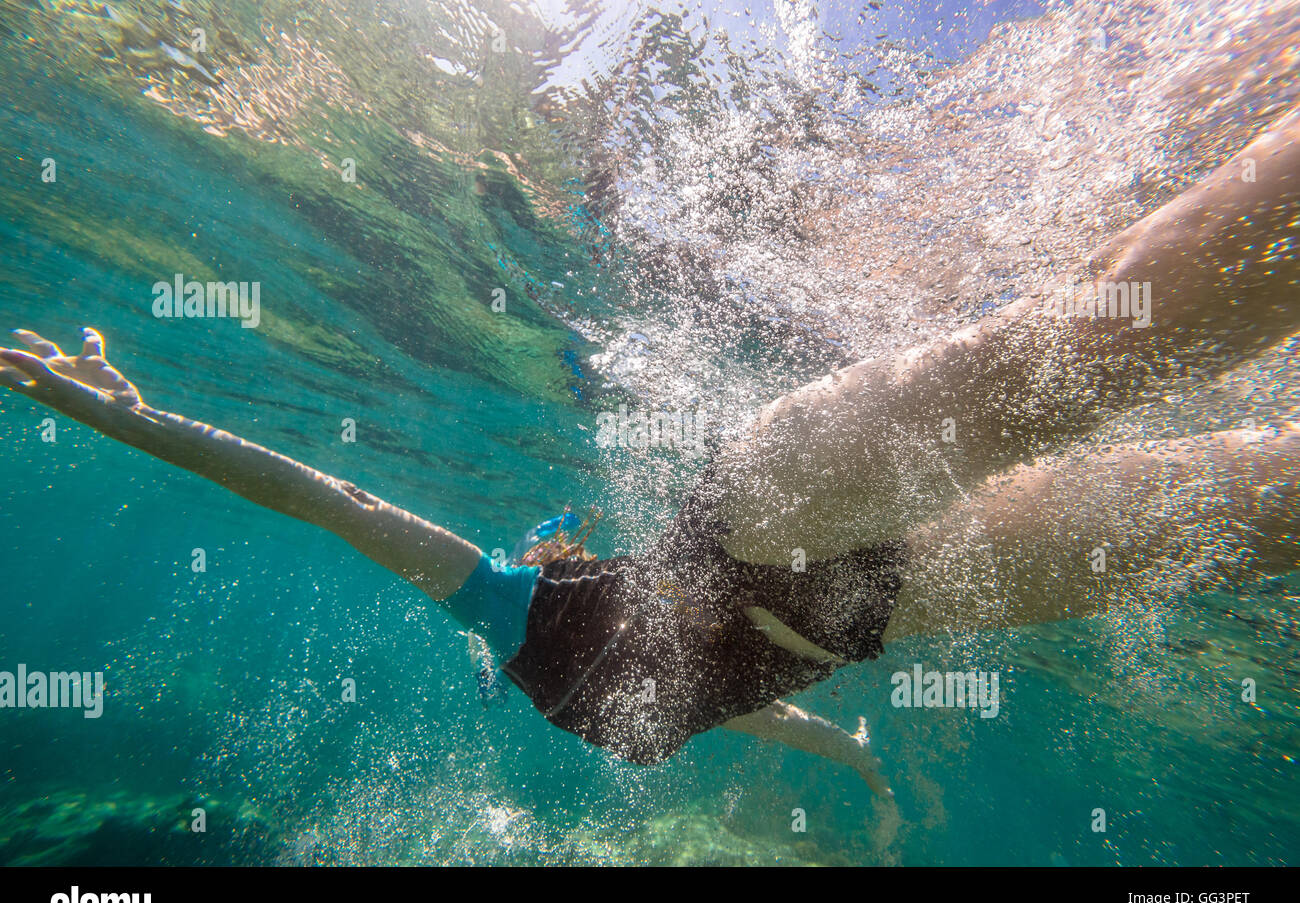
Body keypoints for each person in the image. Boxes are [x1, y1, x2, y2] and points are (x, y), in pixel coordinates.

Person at [3, 107, 1296, 798]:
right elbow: (779, 722)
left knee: (1105, 343)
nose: (557, 544)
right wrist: (859, 766)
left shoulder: (519, 619)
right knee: (1247, 514)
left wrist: (135, 419)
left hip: (772, 515)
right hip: (886, 607)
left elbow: (326, 497)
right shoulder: (559, 657)